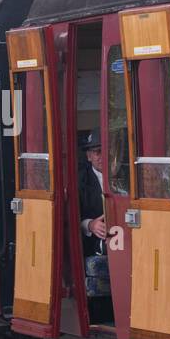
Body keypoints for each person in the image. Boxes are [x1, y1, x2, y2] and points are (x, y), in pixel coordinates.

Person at [77, 130, 111, 313]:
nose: (102, 156)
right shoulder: (79, 180)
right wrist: (90, 225)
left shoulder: (125, 174)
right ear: (89, 156)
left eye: (106, 151)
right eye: (98, 152)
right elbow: (70, 217)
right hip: (92, 242)